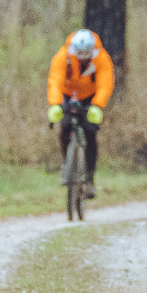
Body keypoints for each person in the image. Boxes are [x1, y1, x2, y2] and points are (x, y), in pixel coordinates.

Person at [46, 28, 114, 198]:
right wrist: (55, 103)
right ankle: (65, 165)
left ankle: (89, 179)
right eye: (80, 53)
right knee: (66, 126)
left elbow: (105, 83)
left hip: (90, 97)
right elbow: (55, 80)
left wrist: (97, 105)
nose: (83, 56)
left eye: (87, 53)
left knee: (90, 133)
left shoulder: (102, 58)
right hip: (68, 95)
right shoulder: (63, 56)